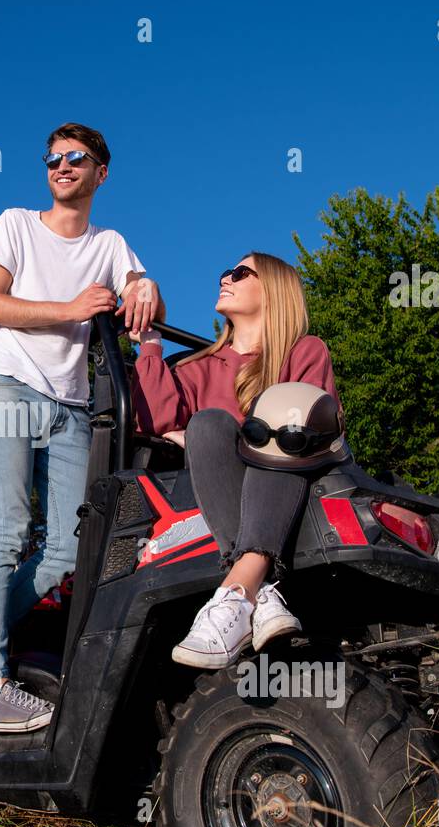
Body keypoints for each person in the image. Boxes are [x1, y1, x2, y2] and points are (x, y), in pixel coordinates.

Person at [0, 122, 165, 732]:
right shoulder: (15, 222)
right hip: (8, 385)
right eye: (53, 158)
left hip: (68, 406)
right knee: (8, 530)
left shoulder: (110, 243)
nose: (62, 166)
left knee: (68, 549)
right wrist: (69, 311)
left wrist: (145, 284)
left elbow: (148, 308)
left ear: (101, 172)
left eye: (76, 158)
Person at [131, 252, 347, 669]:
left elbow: (308, 431)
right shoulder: (200, 368)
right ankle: (258, 592)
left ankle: (236, 594)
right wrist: (151, 343)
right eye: (226, 271)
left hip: (295, 478)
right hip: (222, 491)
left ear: (274, 291)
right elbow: (155, 419)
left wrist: (240, 434)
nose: (226, 277)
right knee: (209, 423)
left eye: (241, 272)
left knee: (283, 427)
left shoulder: (305, 352)